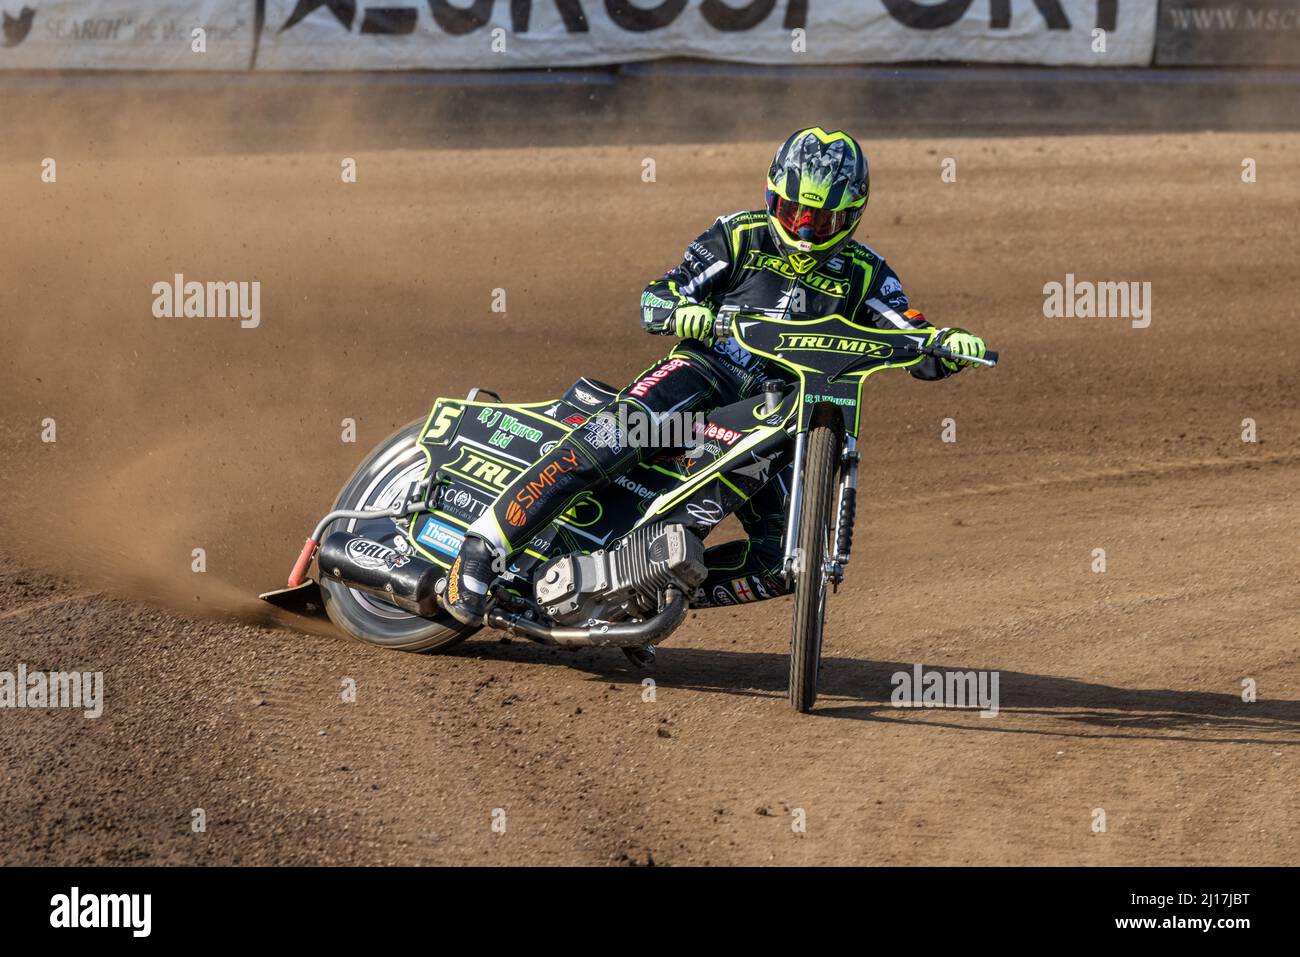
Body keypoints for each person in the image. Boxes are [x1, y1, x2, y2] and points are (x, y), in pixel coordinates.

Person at [443, 126, 987, 626]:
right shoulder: (738, 236)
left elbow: (914, 336)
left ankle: (642, 589)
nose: (802, 229)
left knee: (784, 558)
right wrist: (680, 310)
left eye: (819, 221)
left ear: (852, 217)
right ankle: (482, 546)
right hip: (704, 374)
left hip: (777, 418)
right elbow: (656, 295)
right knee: (609, 442)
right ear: (771, 196)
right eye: (792, 210)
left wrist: (947, 344)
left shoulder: (866, 272)